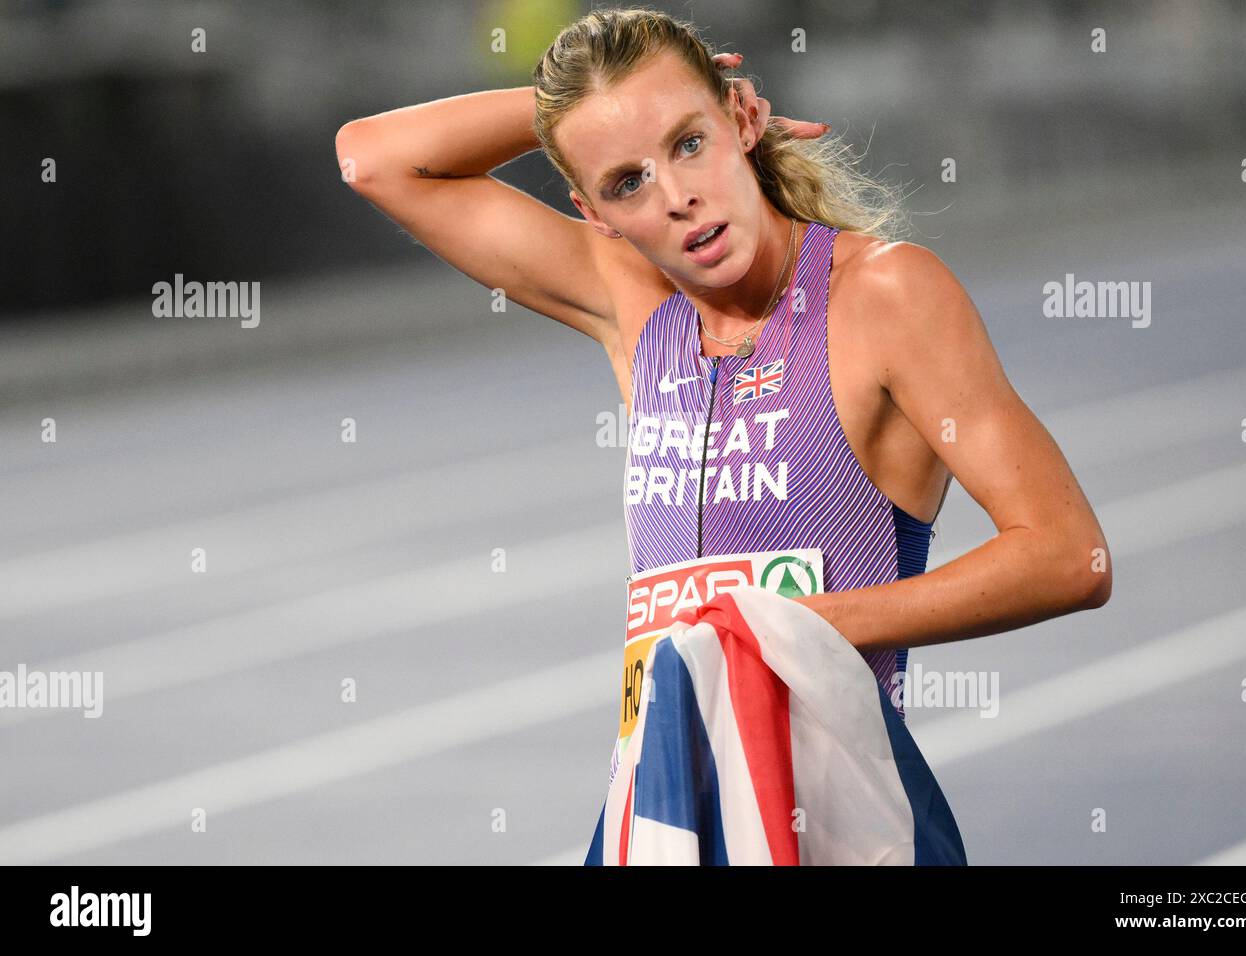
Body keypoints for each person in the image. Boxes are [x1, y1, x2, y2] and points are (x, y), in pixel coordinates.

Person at [334, 8, 1112, 728]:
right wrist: (584, 118)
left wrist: (796, 626)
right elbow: (371, 161)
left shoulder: (883, 295)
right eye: (627, 181)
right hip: (659, 807)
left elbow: (1069, 556)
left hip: (835, 815)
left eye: (688, 141)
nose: (676, 197)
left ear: (741, 118)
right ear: (593, 214)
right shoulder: (634, 306)